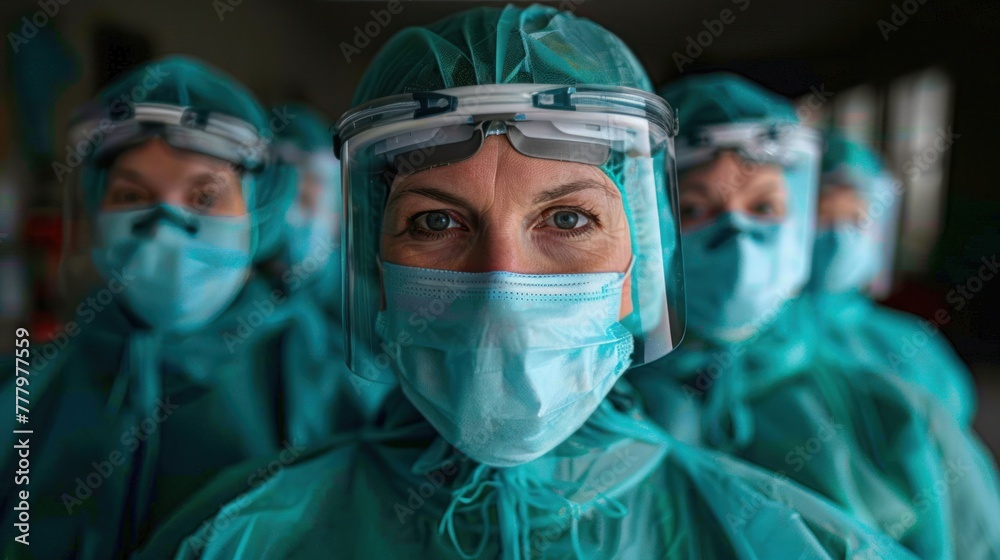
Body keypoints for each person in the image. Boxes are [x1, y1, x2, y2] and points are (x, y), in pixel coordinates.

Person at [136, 7, 919, 559]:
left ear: (639, 267)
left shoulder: (796, 542)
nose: (501, 287)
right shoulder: (238, 537)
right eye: (436, 223)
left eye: (569, 221)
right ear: (374, 276)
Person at [630, 72, 1000, 559]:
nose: (738, 233)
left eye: (763, 204)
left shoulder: (886, 413)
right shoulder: (604, 406)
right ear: (652, 221)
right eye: (697, 207)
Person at [0, 56, 299, 559]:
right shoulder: (27, 387)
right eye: (132, 194)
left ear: (259, 214)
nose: (163, 225)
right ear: (97, 211)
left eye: (205, 195)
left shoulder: (320, 379)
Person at [808, 131, 976, 425]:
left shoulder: (908, 343)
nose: (838, 235)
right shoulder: (758, 340)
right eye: (824, 217)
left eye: (854, 220)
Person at [264, 104, 392, 444]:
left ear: (341, 211)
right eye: (289, 198)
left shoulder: (370, 309)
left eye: (313, 200)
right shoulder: (230, 304)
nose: (296, 217)